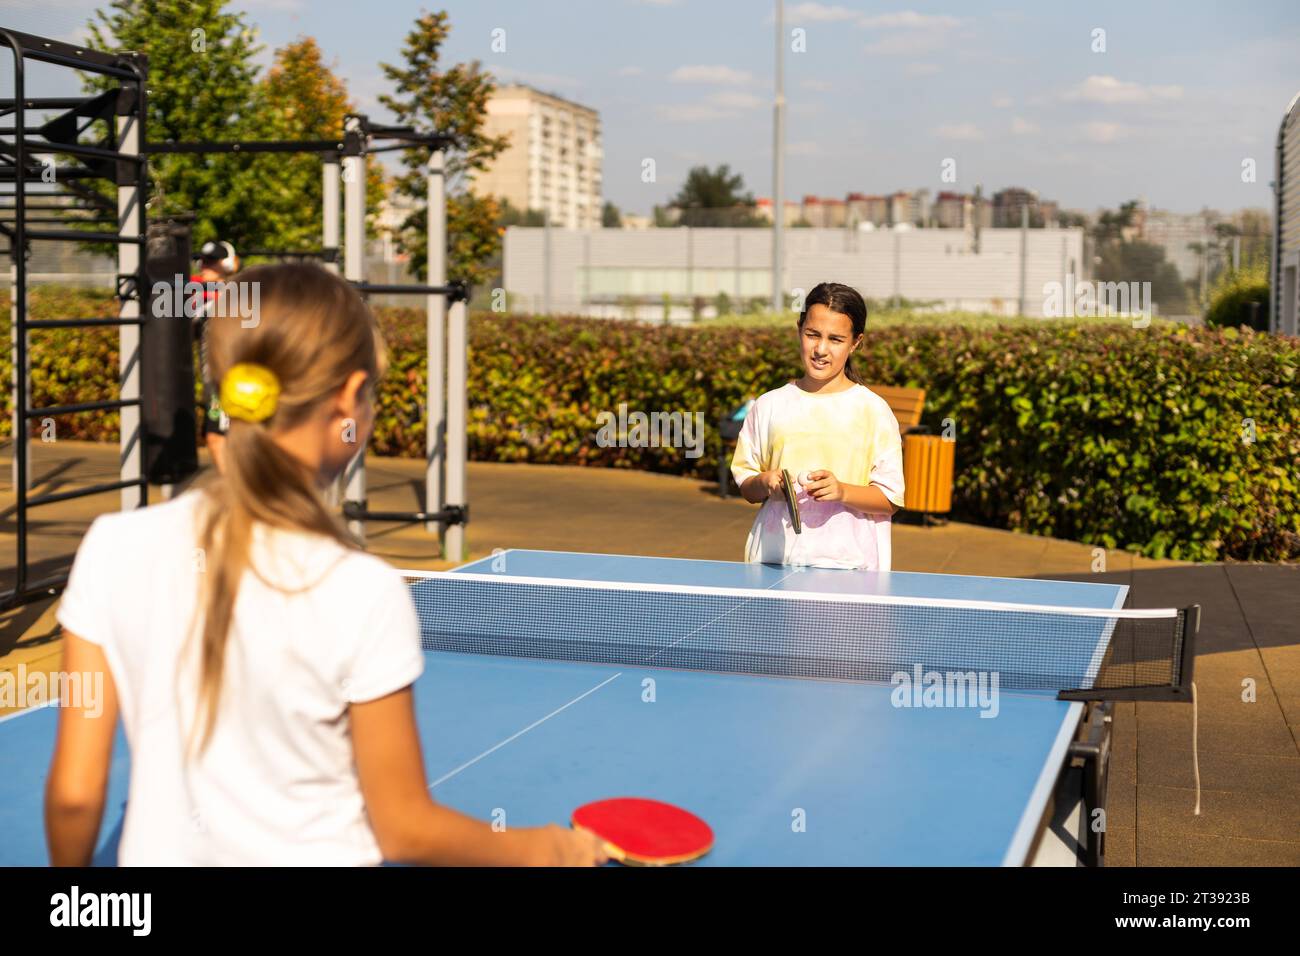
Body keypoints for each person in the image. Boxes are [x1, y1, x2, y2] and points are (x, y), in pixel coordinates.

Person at [45, 262, 606, 866]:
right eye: (371, 397)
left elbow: (76, 796)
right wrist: (540, 849)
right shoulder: (363, 591)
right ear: (346, 398)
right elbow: (405, 829)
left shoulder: (112, 545)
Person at [730, 281, 905, 570]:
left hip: (849, 567)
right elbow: (748, 486)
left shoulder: (874, 410)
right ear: (799, 330)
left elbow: (890, 498)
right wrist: (765, 482)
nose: (821, 349)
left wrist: (842, 491)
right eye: (813, 335)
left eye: (835, 339)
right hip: (773, 559)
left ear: (856, 342)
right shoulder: (769, 405)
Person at [192, 240, 240, 473]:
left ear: (228, 264)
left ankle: (238, 493)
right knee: (217, 437)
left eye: (212, 261)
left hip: (228, 380)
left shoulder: (237, 294)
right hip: (213, 380)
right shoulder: (196, 297)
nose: (205, 265)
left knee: (217, 437)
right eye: (203, 261)